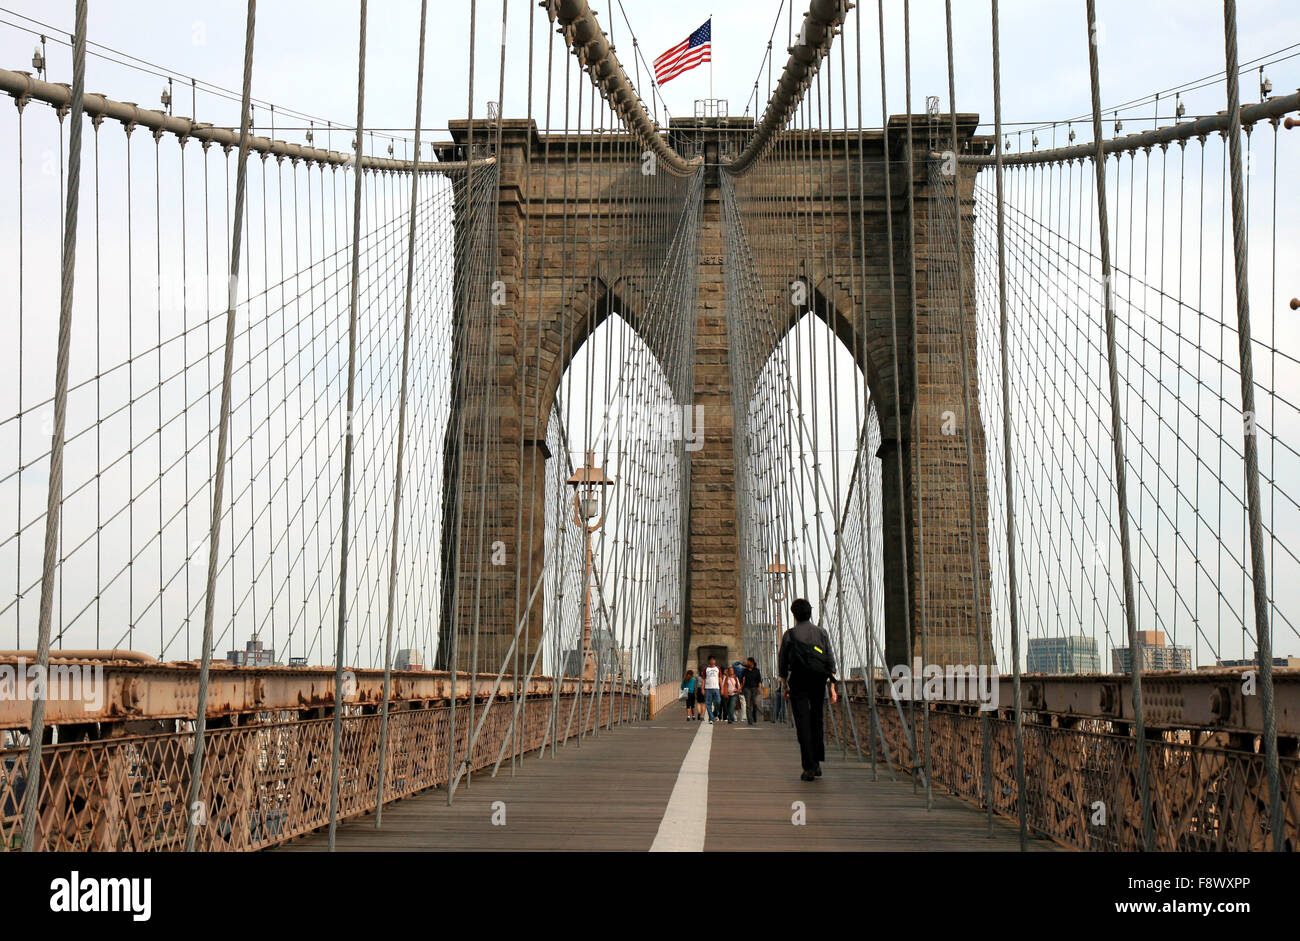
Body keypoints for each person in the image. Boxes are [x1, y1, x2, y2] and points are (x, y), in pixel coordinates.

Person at [778, 598, 837, 781]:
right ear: (810, 613)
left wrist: (785, 685)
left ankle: (809, 767)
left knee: (803, 724)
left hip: (799, 682)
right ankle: (817, 763)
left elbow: (783, 664)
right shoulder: (821, 632)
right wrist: (833, 686)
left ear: (794, 614)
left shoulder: (790, 635)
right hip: (819, 681)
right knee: (817, 720)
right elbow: (830, 660)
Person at [741, 657, 762, 725]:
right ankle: (750, 720)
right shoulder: (745, 670)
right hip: (747, 688)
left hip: (755, 688)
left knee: (754, 703)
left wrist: (759, 688)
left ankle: (754, 716)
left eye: (748, 662)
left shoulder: (757, 670)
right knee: (748, 704)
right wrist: (741, 688)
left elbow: (759, 680)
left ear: (752, 662)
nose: (747, 663)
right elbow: (743, 680)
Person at [701, 655, 722, 724]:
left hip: (716, 688)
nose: (713, 661)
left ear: (715, 661)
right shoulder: (706, 669)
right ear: (709, 661)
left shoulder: (718, 668)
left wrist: (721, 688)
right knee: (708, 704)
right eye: (711, 660)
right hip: (708, 688)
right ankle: (711, 718)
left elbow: (720, 679)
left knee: (718, 702)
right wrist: (702, 689)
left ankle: (715, 714)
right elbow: (703, 679)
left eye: (714, 660)